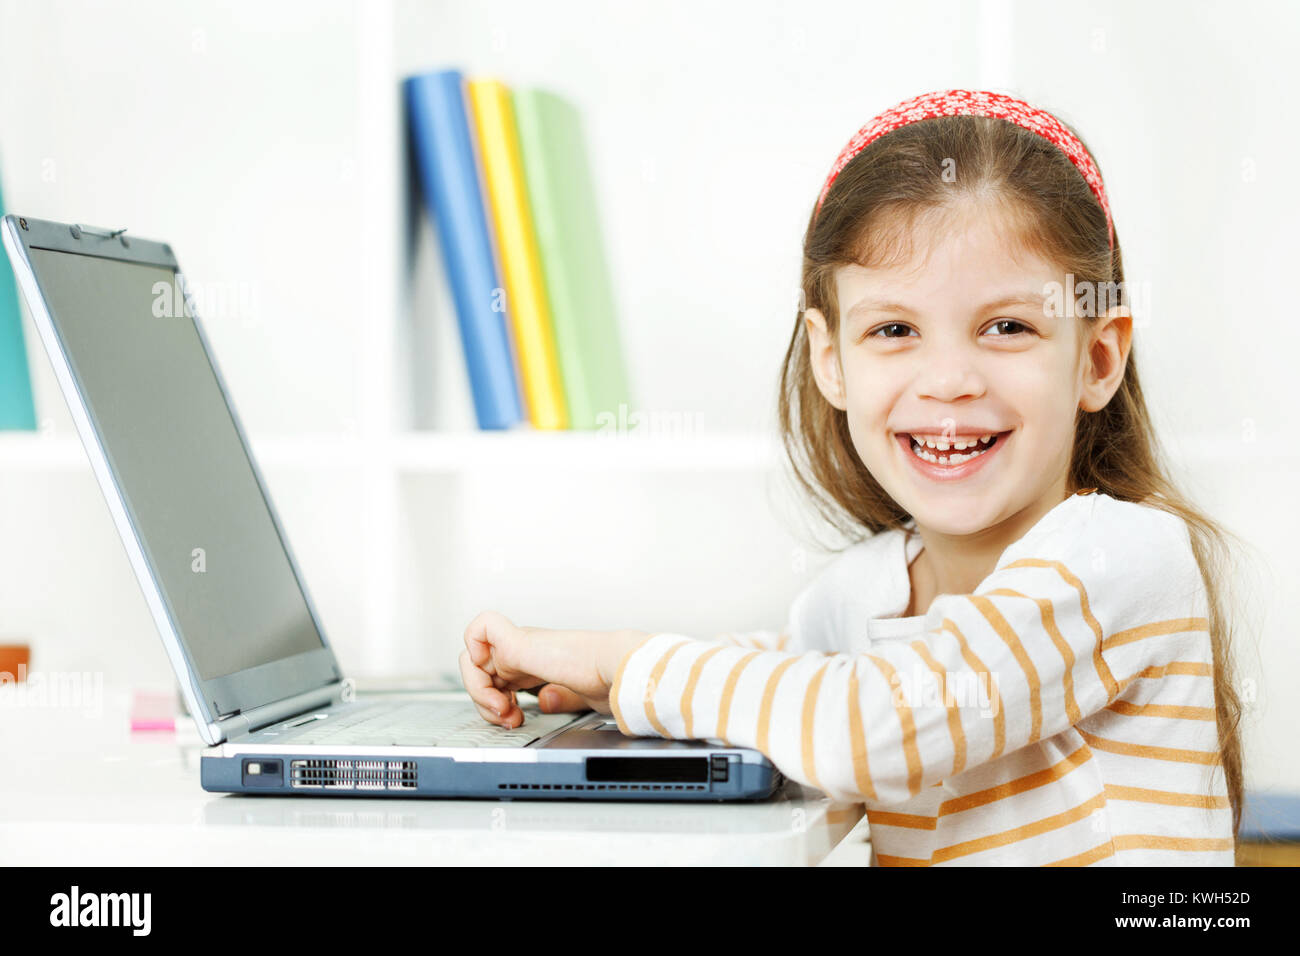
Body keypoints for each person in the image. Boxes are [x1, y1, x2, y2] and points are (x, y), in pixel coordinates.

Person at [457, 89, 1246, 866]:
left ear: (1097, 358)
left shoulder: (1117, 559)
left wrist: (630, 665)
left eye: (1007, 326)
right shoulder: (861, 594)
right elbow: (786, 676)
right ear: (831, 360)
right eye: (894, 328)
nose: (948, 379)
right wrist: (593, 681)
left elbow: (870, 726)